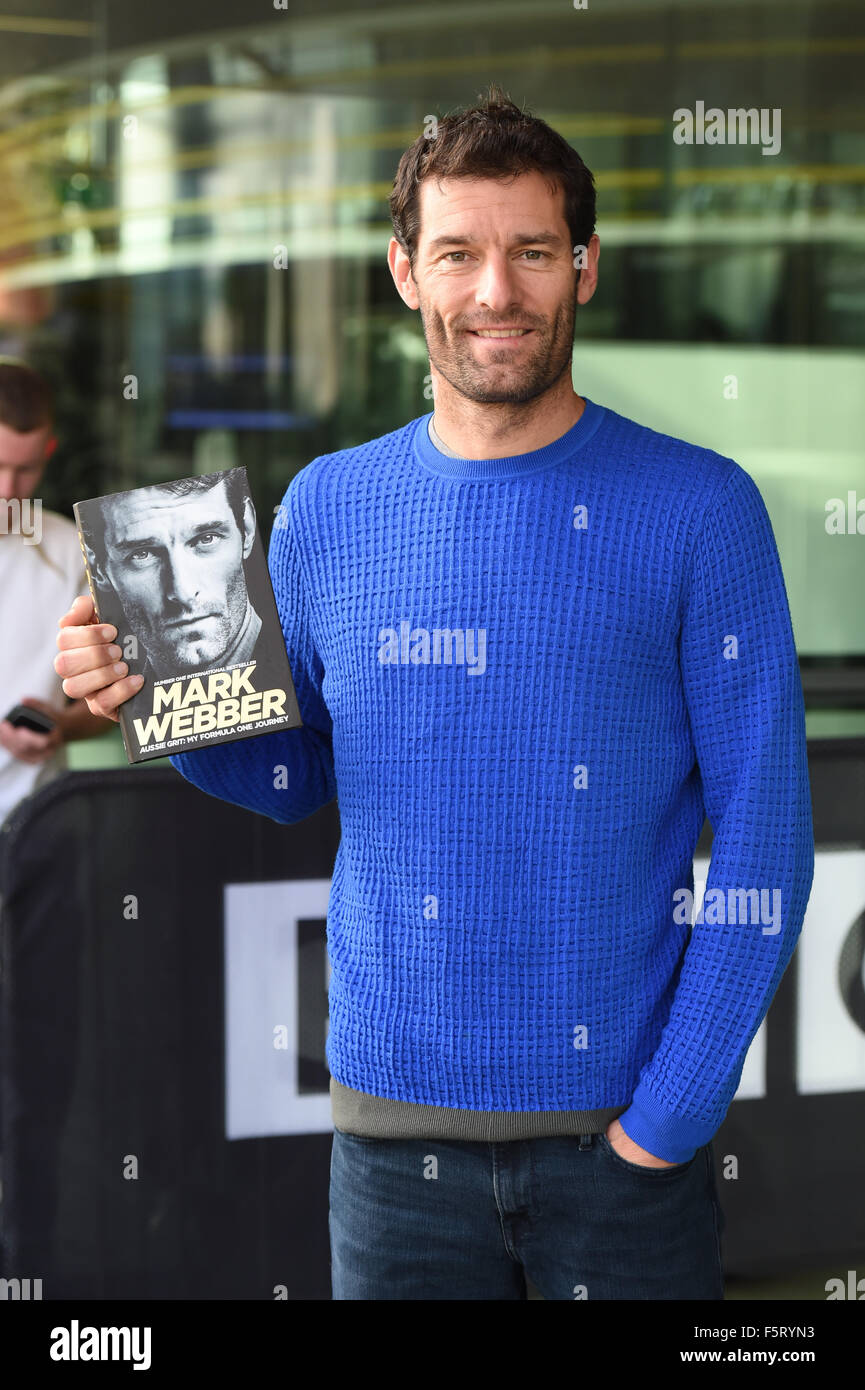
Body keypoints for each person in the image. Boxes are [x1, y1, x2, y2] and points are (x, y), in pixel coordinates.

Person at [54, 86, 815, 1301]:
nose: (494, 291)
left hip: (619, 1155)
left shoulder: (699, 508)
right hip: (388, 1152)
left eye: (529, 252)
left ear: (585, 267)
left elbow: (769, 839)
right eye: (457, 252)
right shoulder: (327, 507)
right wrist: (154, 704)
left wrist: (663, 1125)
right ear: (407, 272)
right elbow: (299, 775)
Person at [0, 360, 114, 827]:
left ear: (48, 452)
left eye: (25, 470)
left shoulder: (72, 549)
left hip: (34, 831)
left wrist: (60, 727)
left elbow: (116, 696)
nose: (8, 491)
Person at [77, 471, 276, 686]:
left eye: (207, 539)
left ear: (246, 529)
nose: (183, 592)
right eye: (142, 554)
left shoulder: (299, 661)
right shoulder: (127, 683)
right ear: (98, 569)